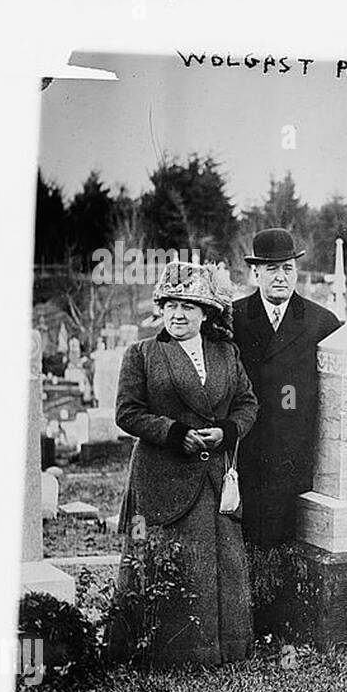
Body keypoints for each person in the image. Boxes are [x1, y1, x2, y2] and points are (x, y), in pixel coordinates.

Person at [108, 262, 259, 668]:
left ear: (206, 312)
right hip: (163, 477)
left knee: (220, 565)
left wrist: (227, 430)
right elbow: (127, 412)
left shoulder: (225, 353)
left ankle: (223, 650)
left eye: (189, 306)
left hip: (214, 478)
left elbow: (247, 403)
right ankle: (162, 652)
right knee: (164, 561)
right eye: (171, 304)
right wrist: (175, 433)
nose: (178, 314)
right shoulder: (142, 353)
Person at [232, 228, 341, 634]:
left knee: (288, 540)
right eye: (272, 269)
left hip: (296, 454)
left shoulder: (319, 322)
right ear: (255, 273)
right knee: (249, 537)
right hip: (247, 450)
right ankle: (247, 622)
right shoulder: (236, 318)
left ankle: (287, 625)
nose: (281, 277)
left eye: (288, 268)